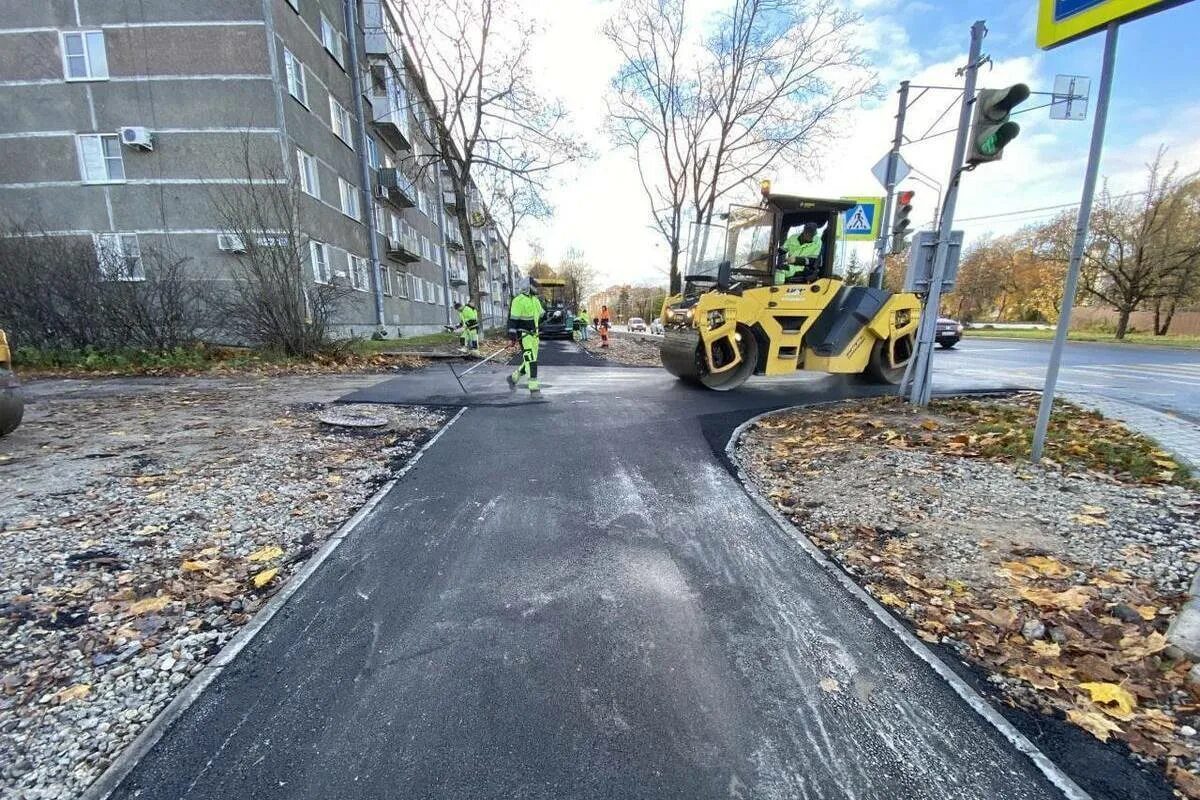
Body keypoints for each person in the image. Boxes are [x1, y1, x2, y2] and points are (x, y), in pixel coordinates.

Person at [507, 278, 545, 395]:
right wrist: (512, 337)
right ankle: (533, 387)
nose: (537, 288)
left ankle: (513, 378)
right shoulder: (518, 300)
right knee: (531, 360)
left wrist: (554, 315)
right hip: (524, 335)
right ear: (528, 287)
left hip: (535, 335)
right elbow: (513, 320)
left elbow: (542, 315)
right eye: (535, 286)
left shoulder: (535, 300)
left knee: (529, 360)